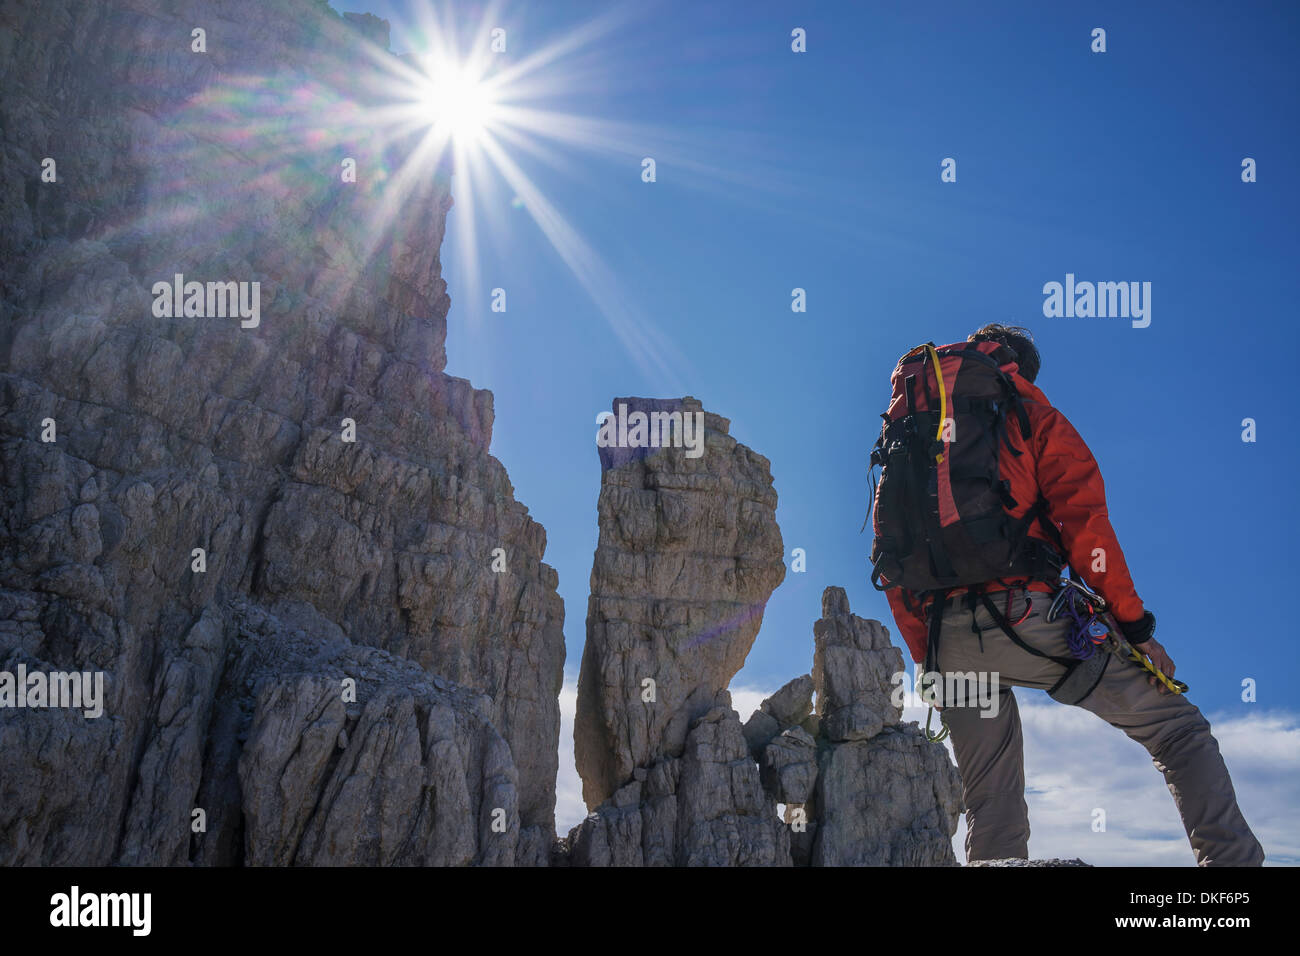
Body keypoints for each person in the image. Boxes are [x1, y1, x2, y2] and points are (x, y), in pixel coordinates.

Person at [877, 324, 1264, 866]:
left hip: (946, 640)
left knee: (990, 799)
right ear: (1019, 370)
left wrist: (929, 658)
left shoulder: (908, 435)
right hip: (1027, 618)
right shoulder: (1030, 415)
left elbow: (890, 562)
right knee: (1180, 732)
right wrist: (1136, 629)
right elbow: (1089, 533)